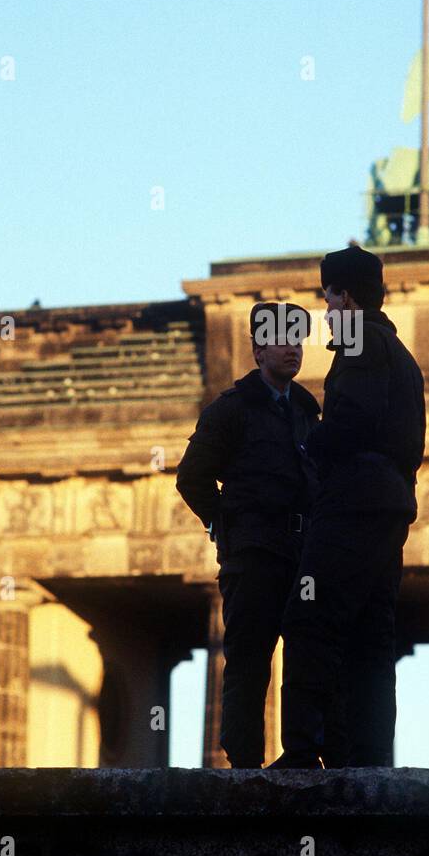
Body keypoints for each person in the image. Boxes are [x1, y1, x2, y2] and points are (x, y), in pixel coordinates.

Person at [269, 246, 426, 769]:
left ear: (347, 296)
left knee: (309, 616)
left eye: (329, 297)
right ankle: (370, 760)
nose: (326, 310)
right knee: (371, 637)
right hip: (392, 506)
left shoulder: (357, 340)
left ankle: (302, 750)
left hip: (352, 502)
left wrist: (310, 445)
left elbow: (353, 421)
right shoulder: (403, 357)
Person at [176, 301, 340, 768]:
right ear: (258, 349)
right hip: (253, 553)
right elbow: (192, 478)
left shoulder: (308, 412)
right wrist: (224, 529)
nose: (293, 349)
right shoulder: (230, 411)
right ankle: (245, 765)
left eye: (299, 339)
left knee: (307, 652)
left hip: (300, 553)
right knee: (250, 656)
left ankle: (301, 753)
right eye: (282, 339)